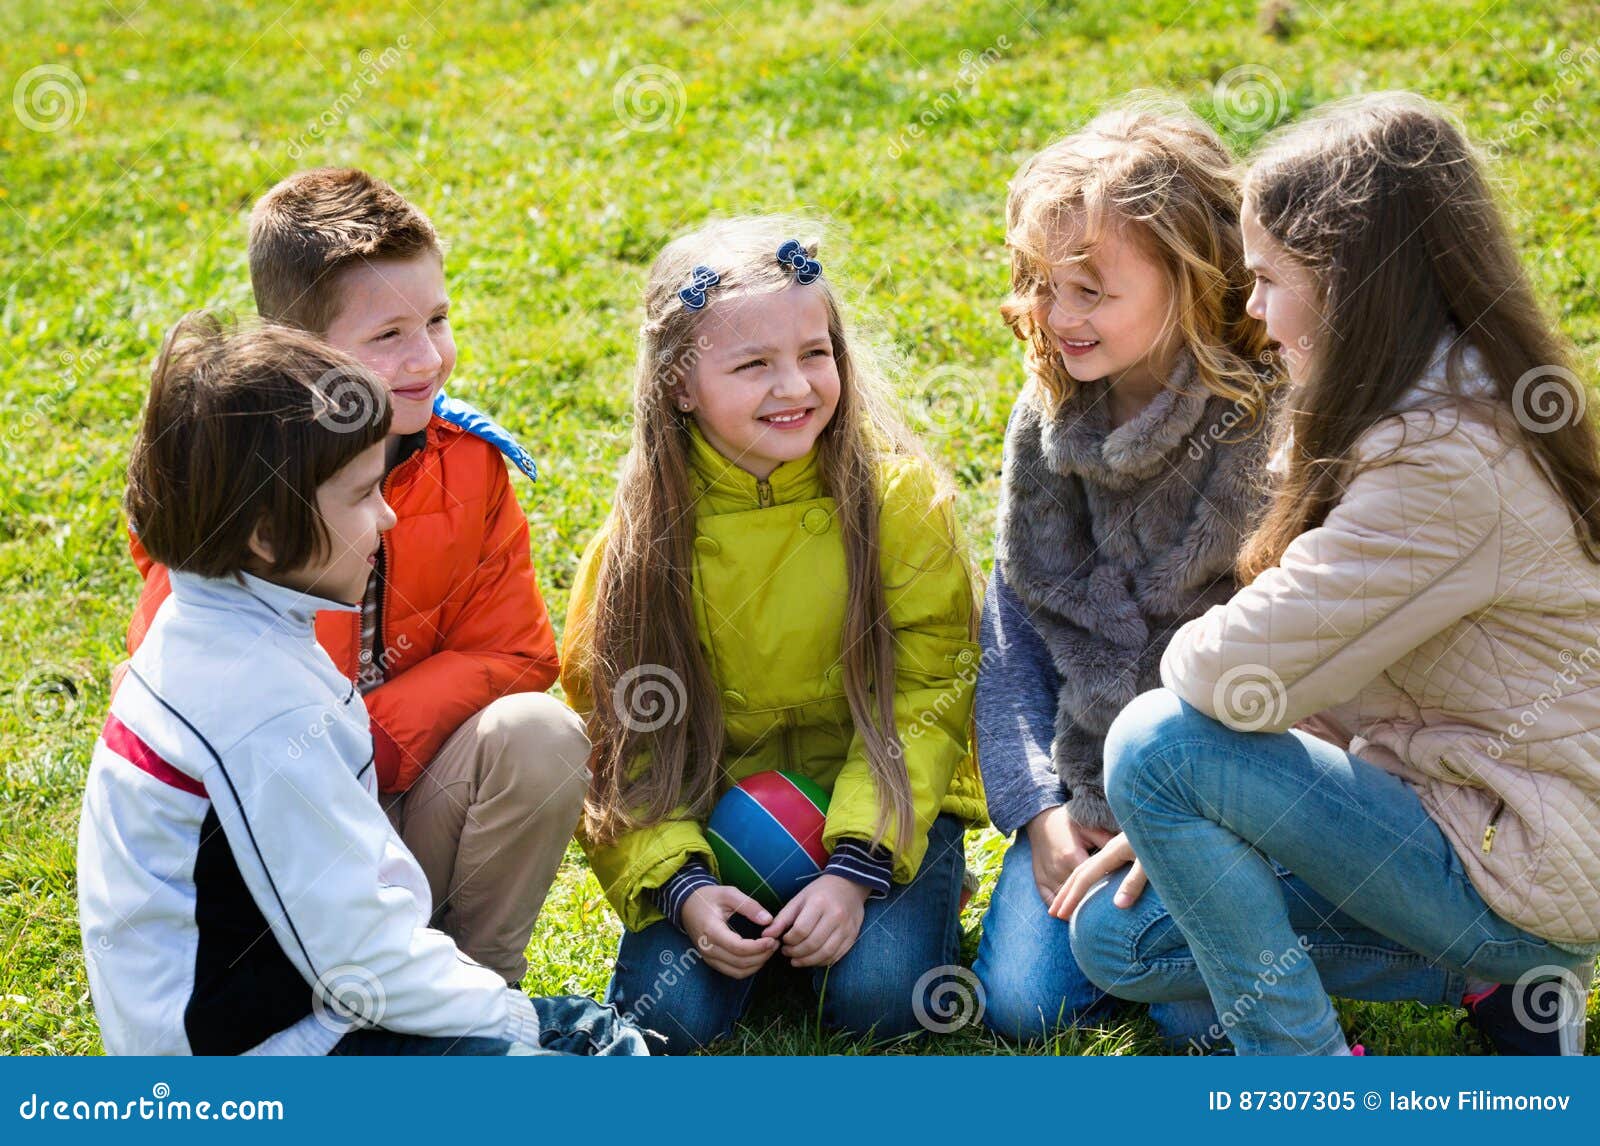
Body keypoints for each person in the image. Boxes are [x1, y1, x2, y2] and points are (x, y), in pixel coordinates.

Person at [562, 216, 984, 1053]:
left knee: (880, 1001)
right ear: (680, 384)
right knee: (665, 1017)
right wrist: (681, 885)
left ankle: (903, 893)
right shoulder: (639, 542)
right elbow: (620, 740)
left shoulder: (899, 504)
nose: (794, 386)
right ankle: (754, 928)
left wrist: (858, 868)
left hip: (878, 812)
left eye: (814, 353)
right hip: (714, 828)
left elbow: (931, 689)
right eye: (753, 364)